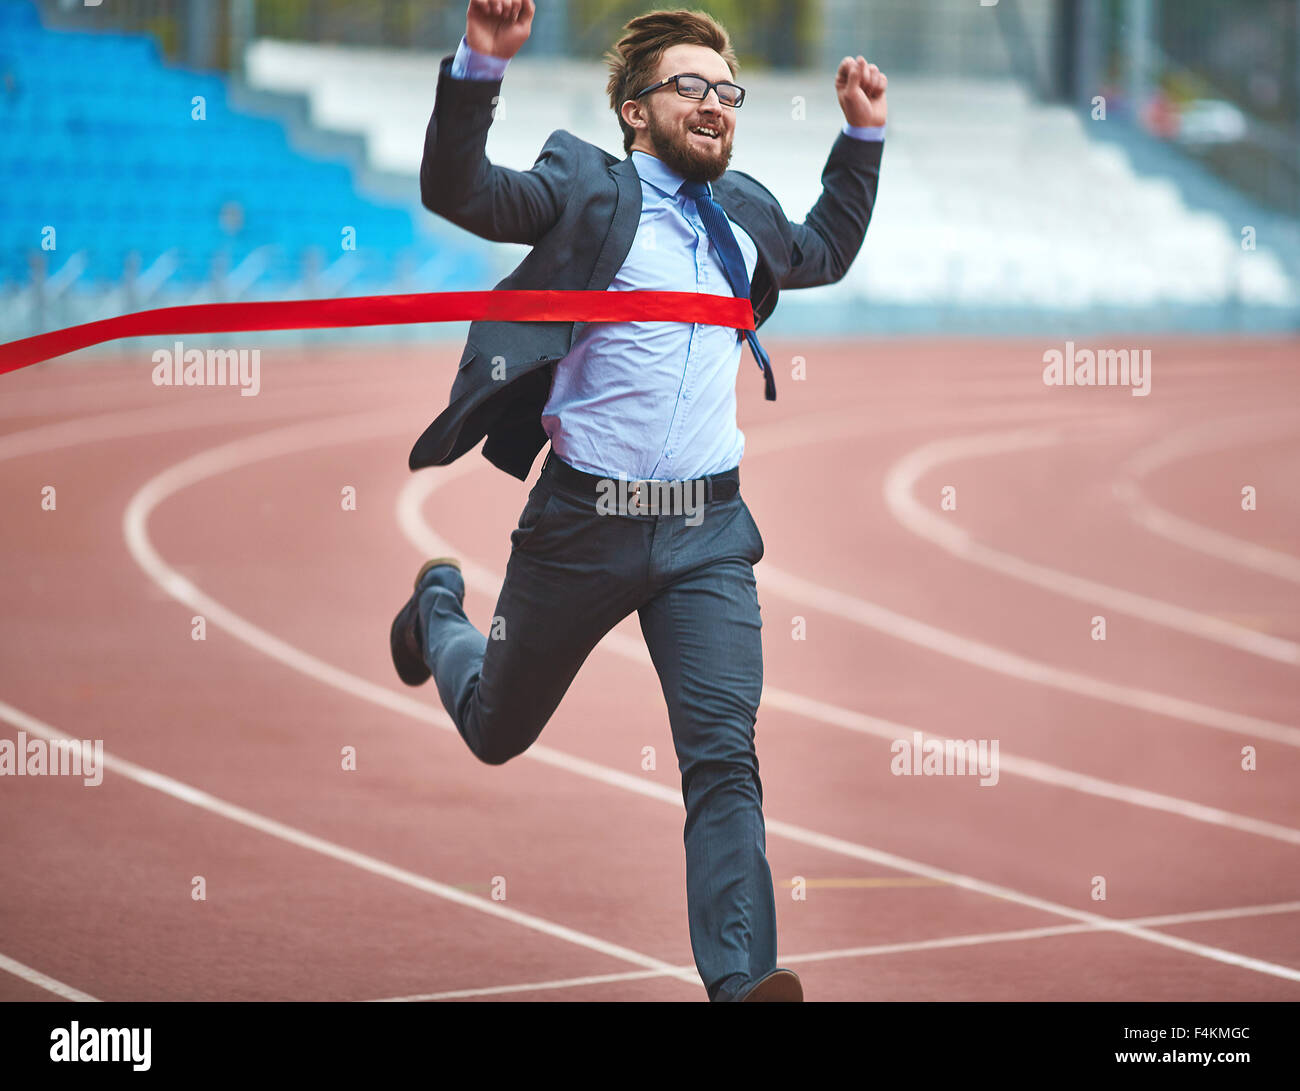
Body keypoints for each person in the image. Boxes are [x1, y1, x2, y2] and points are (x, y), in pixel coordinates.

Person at [391, 0, 886, 1002]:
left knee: (724, 758)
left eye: (727, 90)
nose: (713, 103)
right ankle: (436, 611)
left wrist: (862, 136)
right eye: (688, 86)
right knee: (495, 728)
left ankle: (738, 981)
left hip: (707, 536)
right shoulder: (584, 190)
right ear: (634, 111)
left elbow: (824, 250)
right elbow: (460, 189)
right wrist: (481, 64)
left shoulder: (743, 214)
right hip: (582, 526)